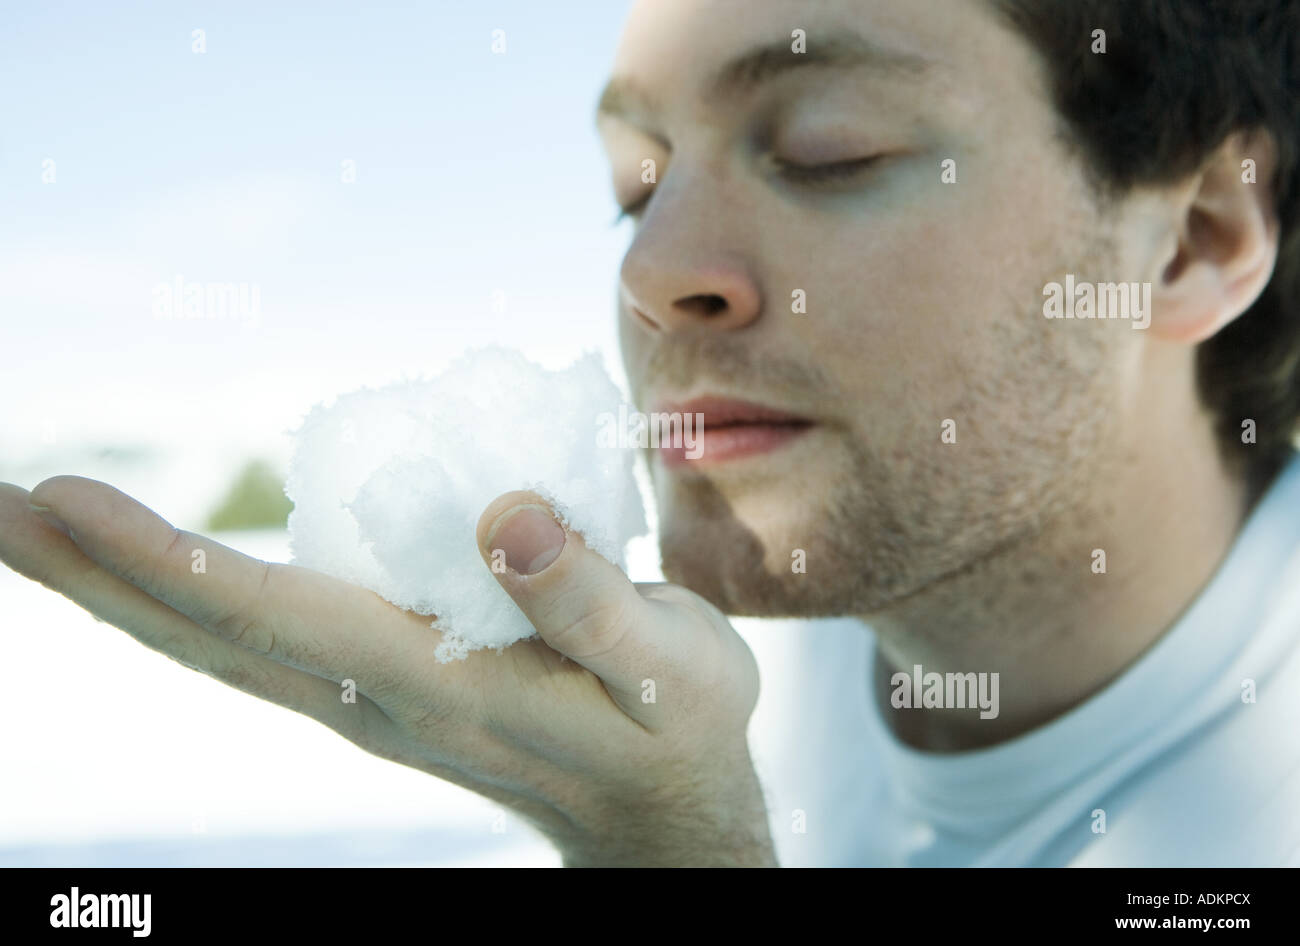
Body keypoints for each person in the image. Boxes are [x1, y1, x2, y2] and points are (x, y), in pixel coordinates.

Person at [1, 0, 1297, 866]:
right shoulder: (730, 672)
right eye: (638, 181)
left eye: (828, 151)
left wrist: (678, 844)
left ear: (1192, 243)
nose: (653, 268)